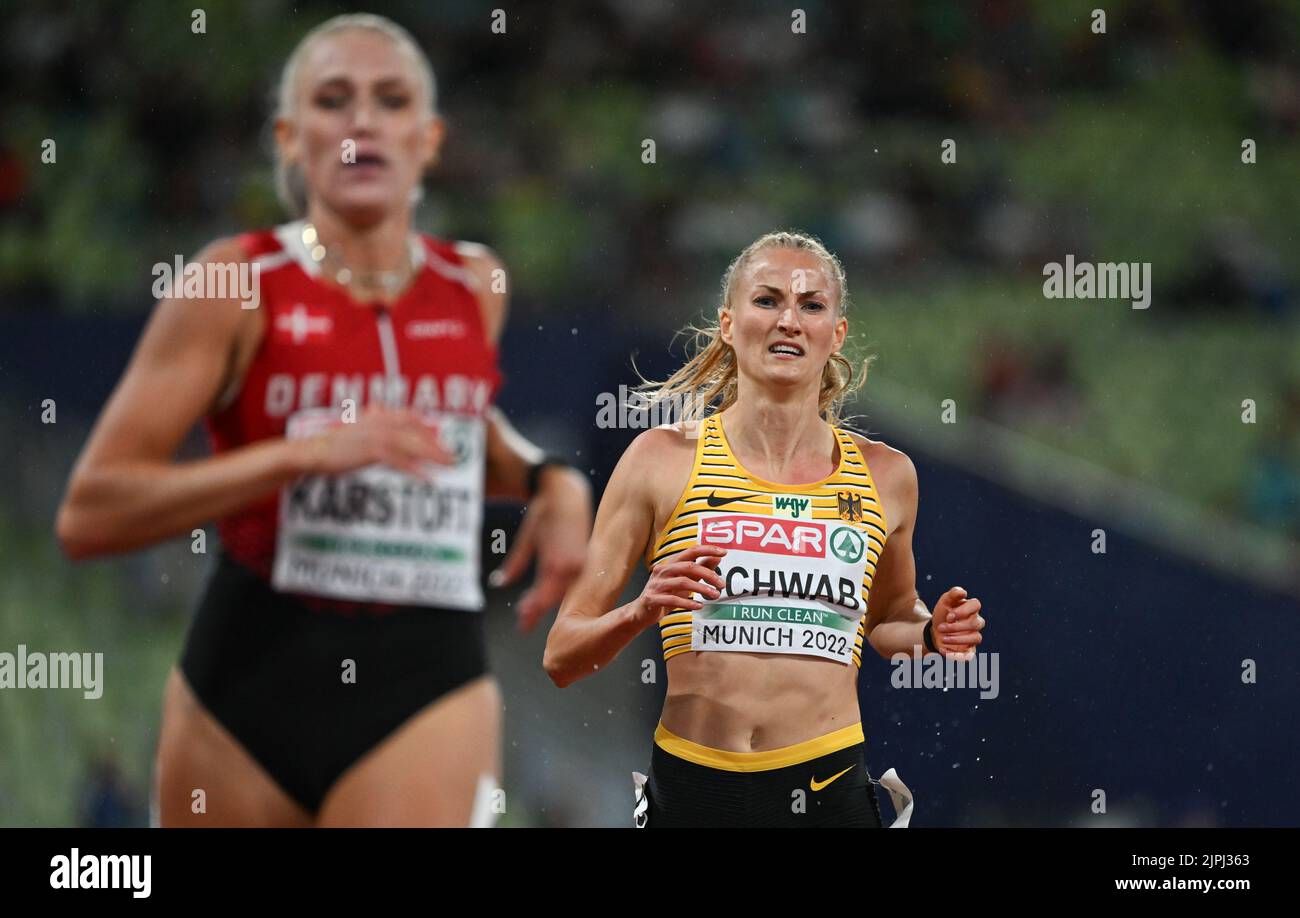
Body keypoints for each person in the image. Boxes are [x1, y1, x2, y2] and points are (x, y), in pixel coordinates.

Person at [55, 13, 591, 827]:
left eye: (390, 99)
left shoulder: (474, 283)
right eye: (333, 100)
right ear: (290, 137)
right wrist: (297, 456)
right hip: (246, 675)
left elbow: (452, 431)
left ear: (429, 136)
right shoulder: (233, 281)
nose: (363, 121)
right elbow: (91, 513)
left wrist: (546, 476)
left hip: (424, 677)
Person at [543, 231, 985, 827]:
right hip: (694, 787)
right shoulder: (659, 460)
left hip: (827, 785)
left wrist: (931, 634)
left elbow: (888, 620)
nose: (789, 322)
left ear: (837, 333)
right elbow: (561, 656)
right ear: (728, 323)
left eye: (811, 305)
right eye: (768, 300)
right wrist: (641, 610)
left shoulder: (887, 476)